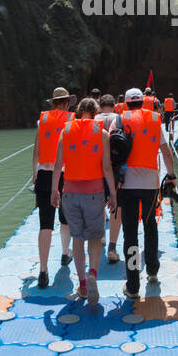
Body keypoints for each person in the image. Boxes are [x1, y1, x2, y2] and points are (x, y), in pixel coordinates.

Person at [51, 98, 117, 306]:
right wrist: (113, 194)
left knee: (77, 238)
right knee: (96, 236)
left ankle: (82, 285)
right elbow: (106, 168)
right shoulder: (103, 134)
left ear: (78, 112)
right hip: (94, 193)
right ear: (95, 113)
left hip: (70, 192)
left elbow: (57, 165)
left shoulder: (66, 132)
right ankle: (93, 274)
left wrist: (54, 190)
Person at [117, 88, 176, 299]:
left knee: (130, 234)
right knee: (150, 227)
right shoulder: (154, 120)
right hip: (150, 184)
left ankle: (133, 286)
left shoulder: (119, 119)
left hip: (126, 186)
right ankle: (152, 271)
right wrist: (171, 175)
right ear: (143, 102)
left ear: (125, 103)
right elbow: (166, 151)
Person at [31, 87, 74, 288]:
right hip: (65, 175)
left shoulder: (42, 121)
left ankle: (43, 271)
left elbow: (36, 152)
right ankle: (65, 254)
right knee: (65, 219)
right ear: (67, 103)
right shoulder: (72, 120)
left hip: (44, 176)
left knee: (45, 224)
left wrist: (35, 174)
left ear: (53, 103)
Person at [97, 95, 124, 263]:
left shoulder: (94, 120)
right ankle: (112, 248)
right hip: (114, 168)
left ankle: (100, 237)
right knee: (116, 207)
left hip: (97, 168)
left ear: (100, 106)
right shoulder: (118, 119)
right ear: (114, 106)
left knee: (98, 204)